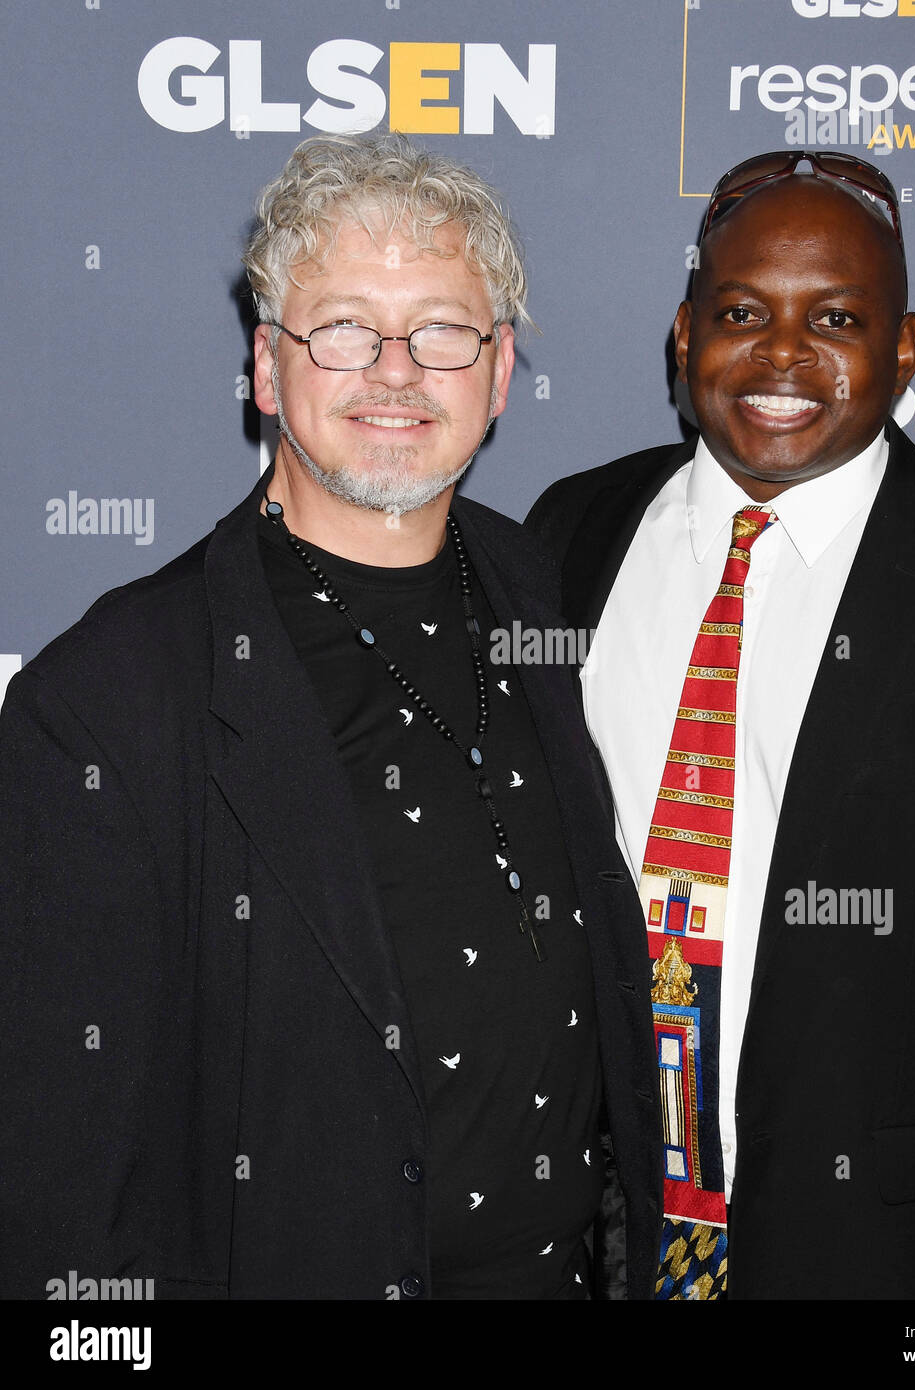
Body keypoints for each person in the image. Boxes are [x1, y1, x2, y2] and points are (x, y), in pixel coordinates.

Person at [0, 133, 661, 1301]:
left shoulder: (543, 587)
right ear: (266, 367)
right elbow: (62, 1174)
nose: (395, 370)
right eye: (345, 327)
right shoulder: (108, 699)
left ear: (499, 373)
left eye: (443, 331)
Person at [527, 151, 915, 1300]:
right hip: (598, 1236)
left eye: (833, 317)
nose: (781, 356)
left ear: (905, 349)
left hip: (874, 1251)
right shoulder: (572, 528)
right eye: (740, 312)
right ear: (683, 335)